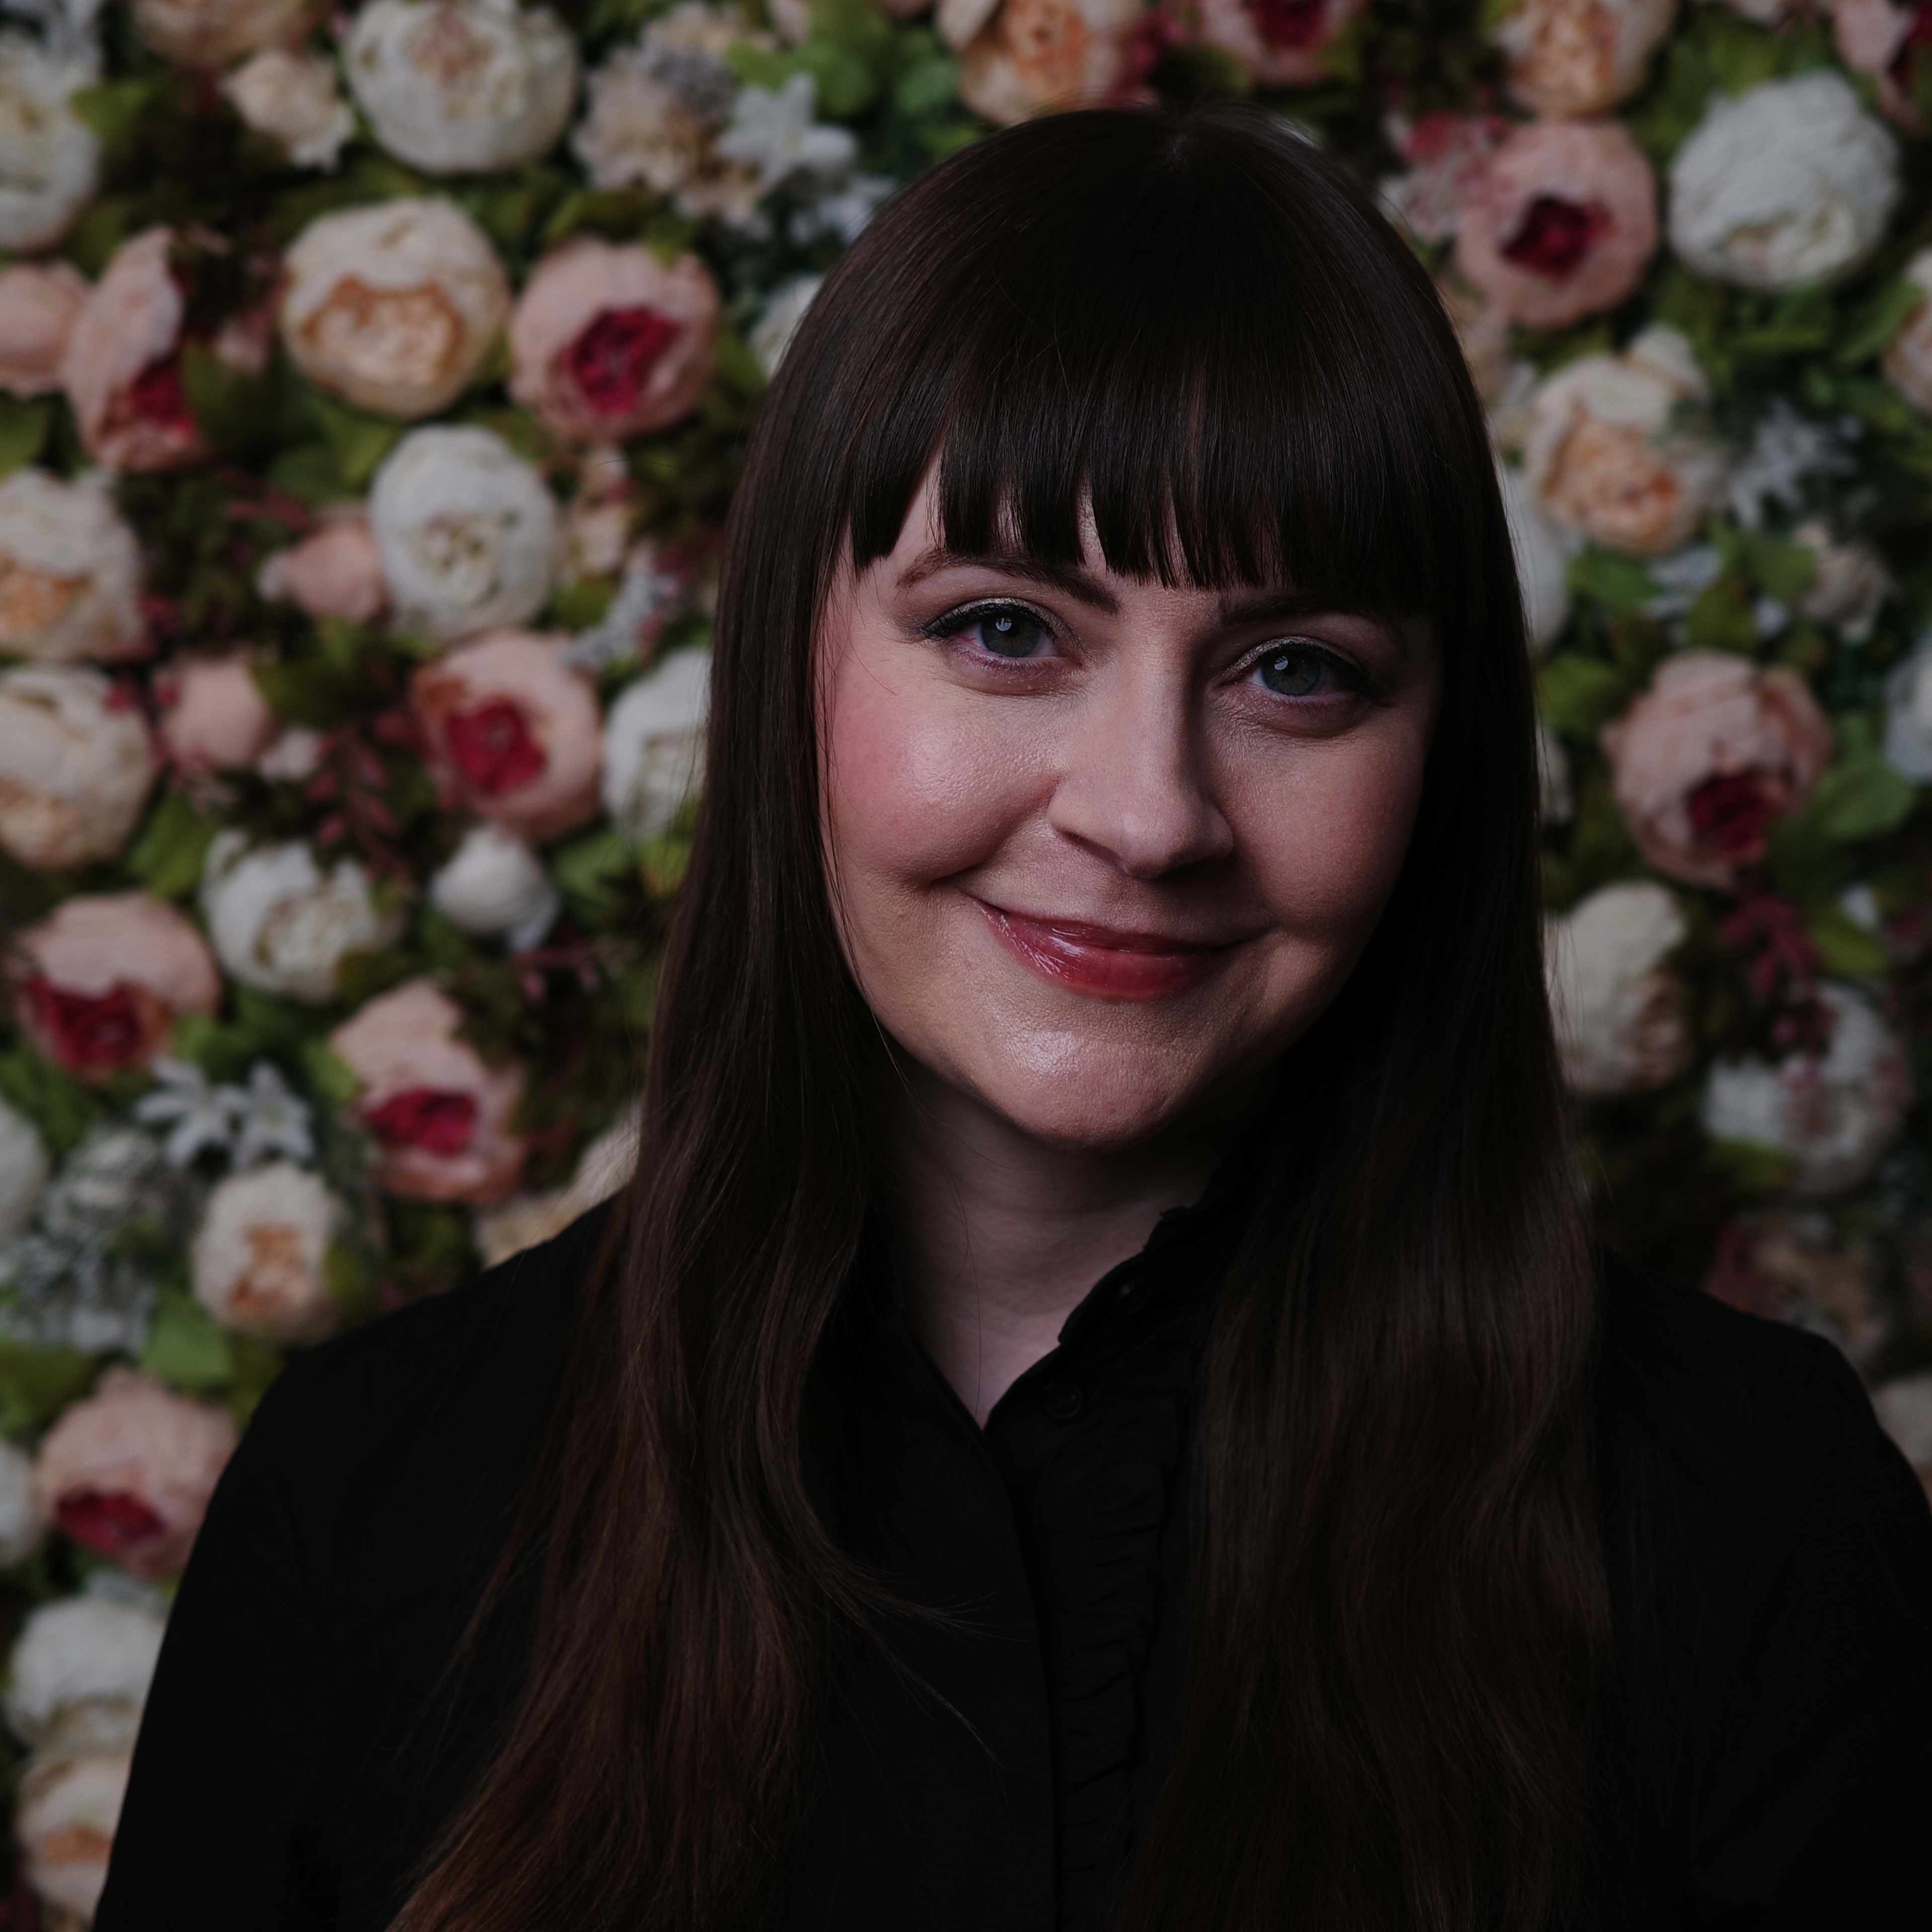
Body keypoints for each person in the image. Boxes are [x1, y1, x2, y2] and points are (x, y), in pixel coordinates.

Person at [98, 106, 1932, 1932]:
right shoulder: (368, 1501)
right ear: (787, 665)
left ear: (1440, 756)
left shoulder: (1750, 1510)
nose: (1148, 813)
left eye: (1298, 671)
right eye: (1003, 630)